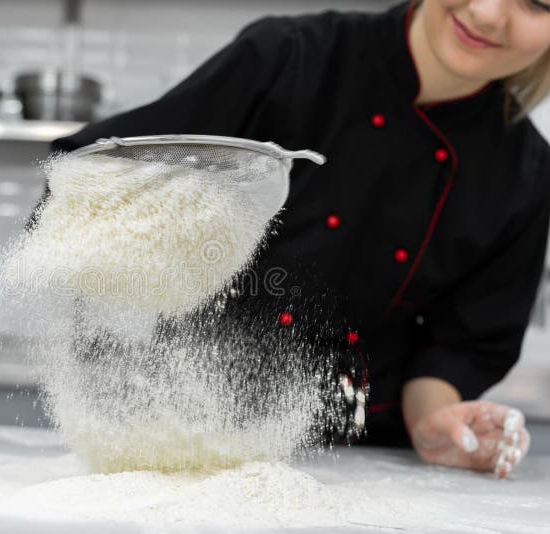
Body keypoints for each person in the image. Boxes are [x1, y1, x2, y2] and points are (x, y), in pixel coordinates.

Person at [46, 0, 550, 477]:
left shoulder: (525, 173)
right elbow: (103, 173)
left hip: (367, 465)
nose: (486, 13)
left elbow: (461, 344)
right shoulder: (289, 57)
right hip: (176, 434)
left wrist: (434, 425)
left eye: (538, 4)